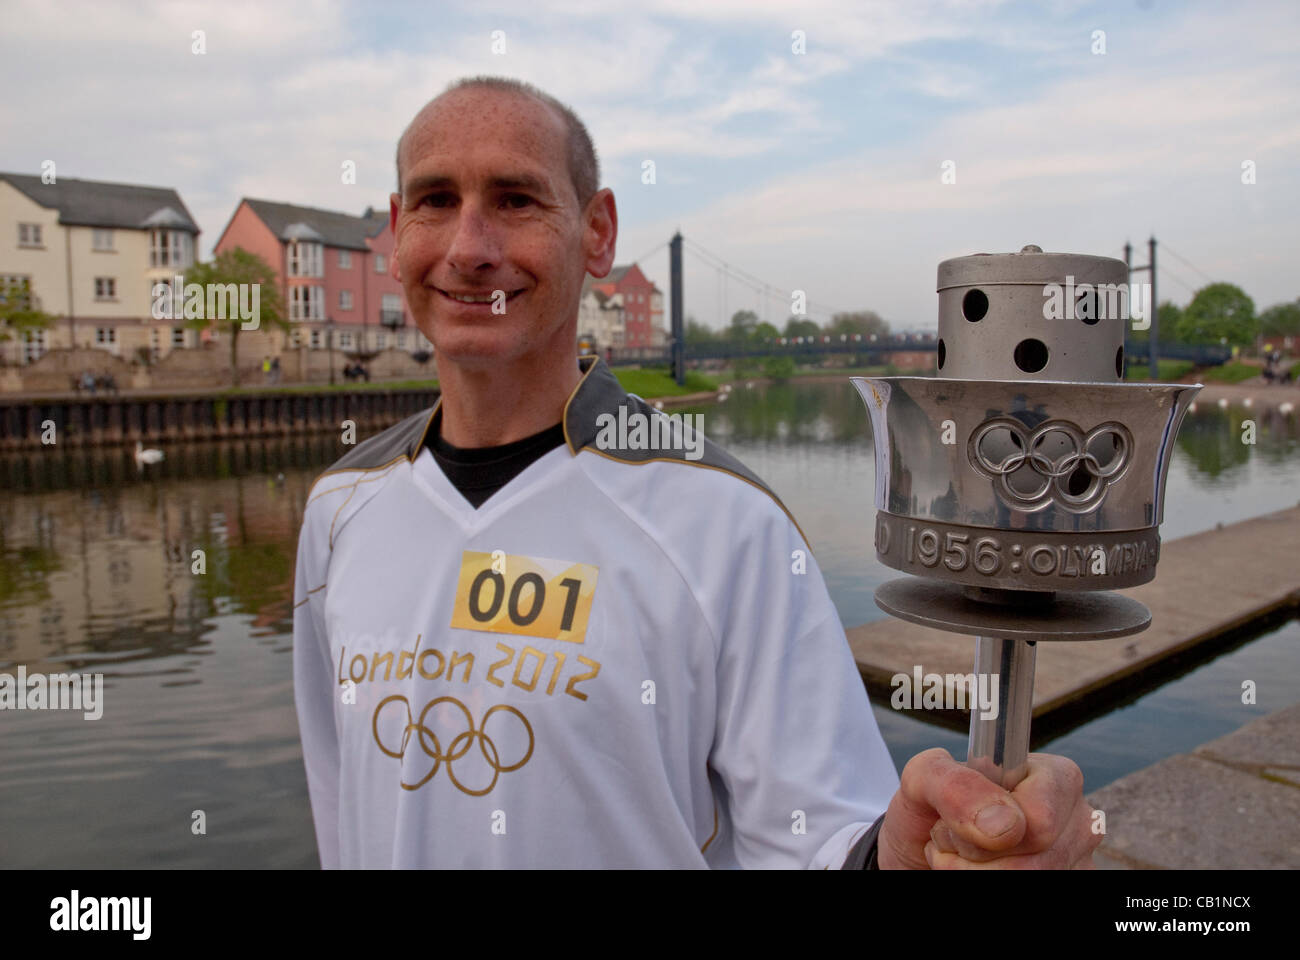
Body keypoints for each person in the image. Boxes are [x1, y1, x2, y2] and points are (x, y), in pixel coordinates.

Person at [292, 76, 1102, 870]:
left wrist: (901, 859)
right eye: (435, 200)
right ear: (396, 232)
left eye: (516, 200)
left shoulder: (728, 520)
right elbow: (340, 802)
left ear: (598, 232)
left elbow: (814, 836)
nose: (470, 249)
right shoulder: (338, 511)